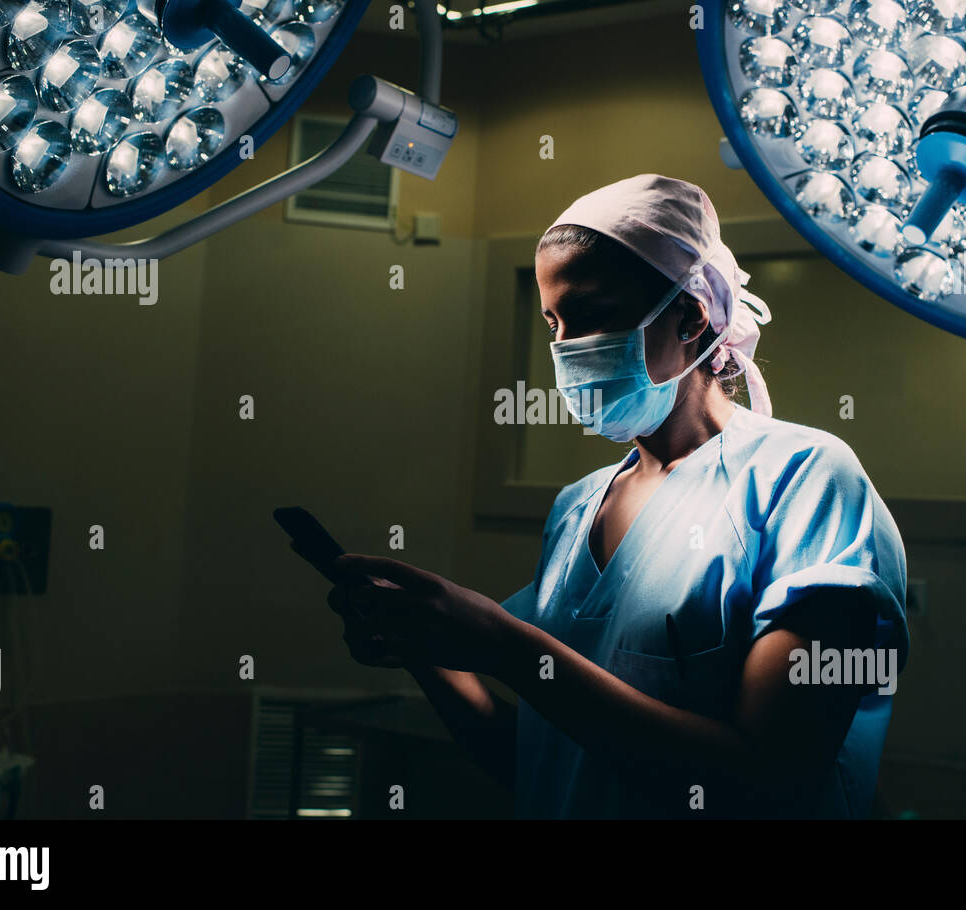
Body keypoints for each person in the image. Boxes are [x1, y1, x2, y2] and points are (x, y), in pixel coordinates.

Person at [328, 174, 910, 819]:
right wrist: (429, 650)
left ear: (691, 315)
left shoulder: (804, 476)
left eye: (593, 313)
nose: (566, 346)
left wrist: (504, 645)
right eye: (554, 321)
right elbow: (543, 762)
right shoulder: (578, 508)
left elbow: (772, 777)